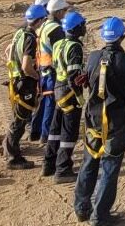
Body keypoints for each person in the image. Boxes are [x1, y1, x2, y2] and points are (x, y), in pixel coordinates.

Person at [75, 17, 125, 225]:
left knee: (89, 163)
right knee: (109, 168)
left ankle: (82, 209)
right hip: (117, 123)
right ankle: (100, 215)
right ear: (123, 36)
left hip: (93, 121)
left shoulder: (93, 57)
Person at [44, 10, 87, 183]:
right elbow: (73, 76)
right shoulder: (75, 47)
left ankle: (49, 163)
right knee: (69, 131)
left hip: (58, 89)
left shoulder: (59, 44)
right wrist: (79, 97)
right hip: (69, 93)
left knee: (55, 128)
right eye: (82, 25)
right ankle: (63, 169)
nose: (84, 28)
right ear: (76, 28)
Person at [3, 4, 46, 169]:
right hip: (24, 83)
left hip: (15, 80)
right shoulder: (30, 38)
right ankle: (13, 158)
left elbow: (7, 51)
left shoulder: (19, 32)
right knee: (20, 120)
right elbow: (26, 65)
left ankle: (10, 148)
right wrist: (36, 76)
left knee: (18, 117)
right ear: (39, 20)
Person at [30, 0, 69, 143]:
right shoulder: (56, 29)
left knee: (43, 100)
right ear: (58, 12)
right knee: (50, 103)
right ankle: (45, 135)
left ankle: (35, 131)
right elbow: (59, 51)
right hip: (52, 70)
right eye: (64, 10)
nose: (65, 13)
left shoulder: (44, 25)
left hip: (42, 68)